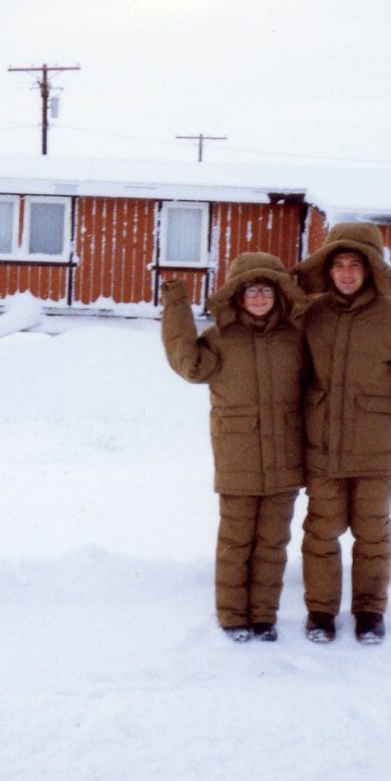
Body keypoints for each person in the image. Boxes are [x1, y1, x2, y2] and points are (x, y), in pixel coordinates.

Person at [291, 223, 391, 645]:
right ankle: (320, 612)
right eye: (338, 265)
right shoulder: (312, 314)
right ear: (329, 269)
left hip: (376, 450)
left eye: (356, 264)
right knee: (321, 531)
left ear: (371, 269)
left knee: (373, 534)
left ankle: (370, 612)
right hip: (323, 448)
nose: (347, 273)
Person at [160, 252, 308, 643]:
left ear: (279, 294)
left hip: (286, 460)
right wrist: (176, 304)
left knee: (273, 545)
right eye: (251, 291)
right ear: (237, 296)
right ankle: (231, 617)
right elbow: (190, 365)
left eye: (266, 290)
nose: (259, 297)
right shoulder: (220, 339)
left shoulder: (297, 338)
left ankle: (263, 617)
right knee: (235, 543)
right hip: (238, 459)